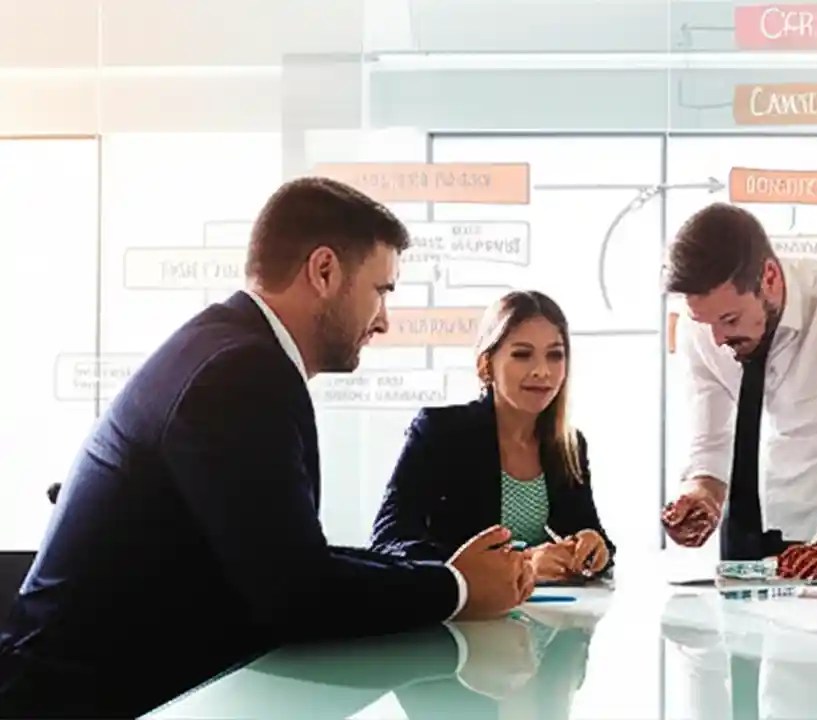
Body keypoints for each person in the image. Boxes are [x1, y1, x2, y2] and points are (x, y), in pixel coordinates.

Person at [0, 177, 534, 718]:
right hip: (75, 703)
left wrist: (443, 574)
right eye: (381, 291)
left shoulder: (228, 349)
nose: (384, 321)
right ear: (324, 271)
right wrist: (456, 589)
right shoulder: (239, 373)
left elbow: (288, 558)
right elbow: (299, 596)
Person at [660, 202, 817, 578]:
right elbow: (709, 445)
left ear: (769, 278)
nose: (718, 338)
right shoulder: (703, 329)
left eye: (730, 319)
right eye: (704, 322)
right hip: (740, 548)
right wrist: (699, 498)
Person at [371, 290, 613, 583]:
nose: (542, 371)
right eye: (522, 355)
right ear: (486, 365)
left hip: (546, 617)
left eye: (555, 355)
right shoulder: (439, 431)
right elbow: (389, 540)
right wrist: (519, 564)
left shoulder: (568, 445)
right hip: (458, 615)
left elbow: (588, 532)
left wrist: (592, 547)